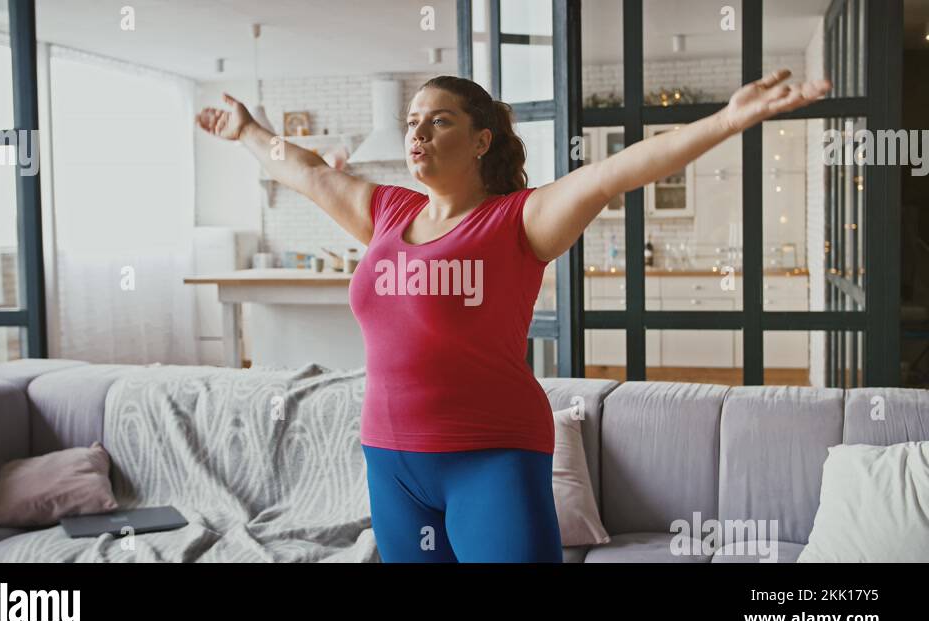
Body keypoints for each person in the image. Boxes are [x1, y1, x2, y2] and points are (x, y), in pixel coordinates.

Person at [197, 70, 830, 563]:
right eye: (413, 120)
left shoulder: (519, 219)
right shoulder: (386, 211)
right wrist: (248, 131)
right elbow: (304, 171)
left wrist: (726, 120)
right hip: (390, 459)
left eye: (438, 121)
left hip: (491, 457)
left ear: (480, 140)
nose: (417, 133)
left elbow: (614, 173)